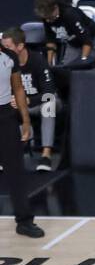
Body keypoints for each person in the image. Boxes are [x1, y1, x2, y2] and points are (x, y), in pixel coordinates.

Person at [0, 38, 43, 237]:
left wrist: (25, 120)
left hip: (6, 115)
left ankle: (24, 221)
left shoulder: (9, 57)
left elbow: (18, 88)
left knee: (15, 170)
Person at [1, 28, 58, 171]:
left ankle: (46, 155)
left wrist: (28, 101)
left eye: (7, 47)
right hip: (19, 106)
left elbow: (50, 93)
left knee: (49, 105)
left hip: (40, 103)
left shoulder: (38, 60)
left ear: (20, 47)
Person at [33, 0, 95, 67]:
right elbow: (50, 41)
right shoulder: (46, 18)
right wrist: (49, 64)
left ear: (56, 8)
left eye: (50, 17)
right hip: (73, 43)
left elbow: (87, 40)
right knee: (67, 69)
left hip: (94, 40)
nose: (48, 21)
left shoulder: (70, 15)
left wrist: (83, 62)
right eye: (46, 18)